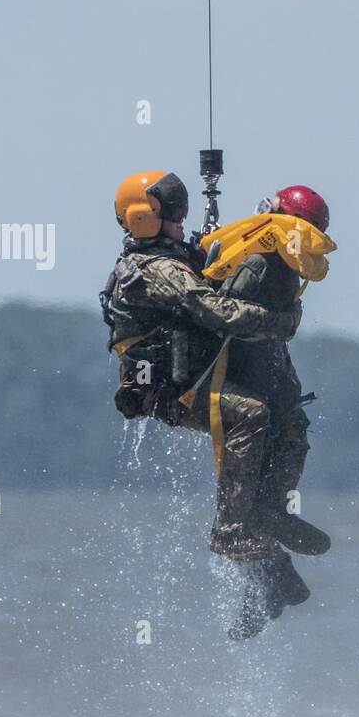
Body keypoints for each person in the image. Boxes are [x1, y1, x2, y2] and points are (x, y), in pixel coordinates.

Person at [100, 172, 325, 627]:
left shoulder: (177, 257)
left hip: (200, 375)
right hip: (168, 390)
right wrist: (282, 320)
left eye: (184, 207)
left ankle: (266, 540)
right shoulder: (155, 269)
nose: (183, 217)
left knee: (289, 424)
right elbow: (216, 312)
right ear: (146, 218)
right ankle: (231, 531)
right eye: (174, 210)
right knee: (248, 414)